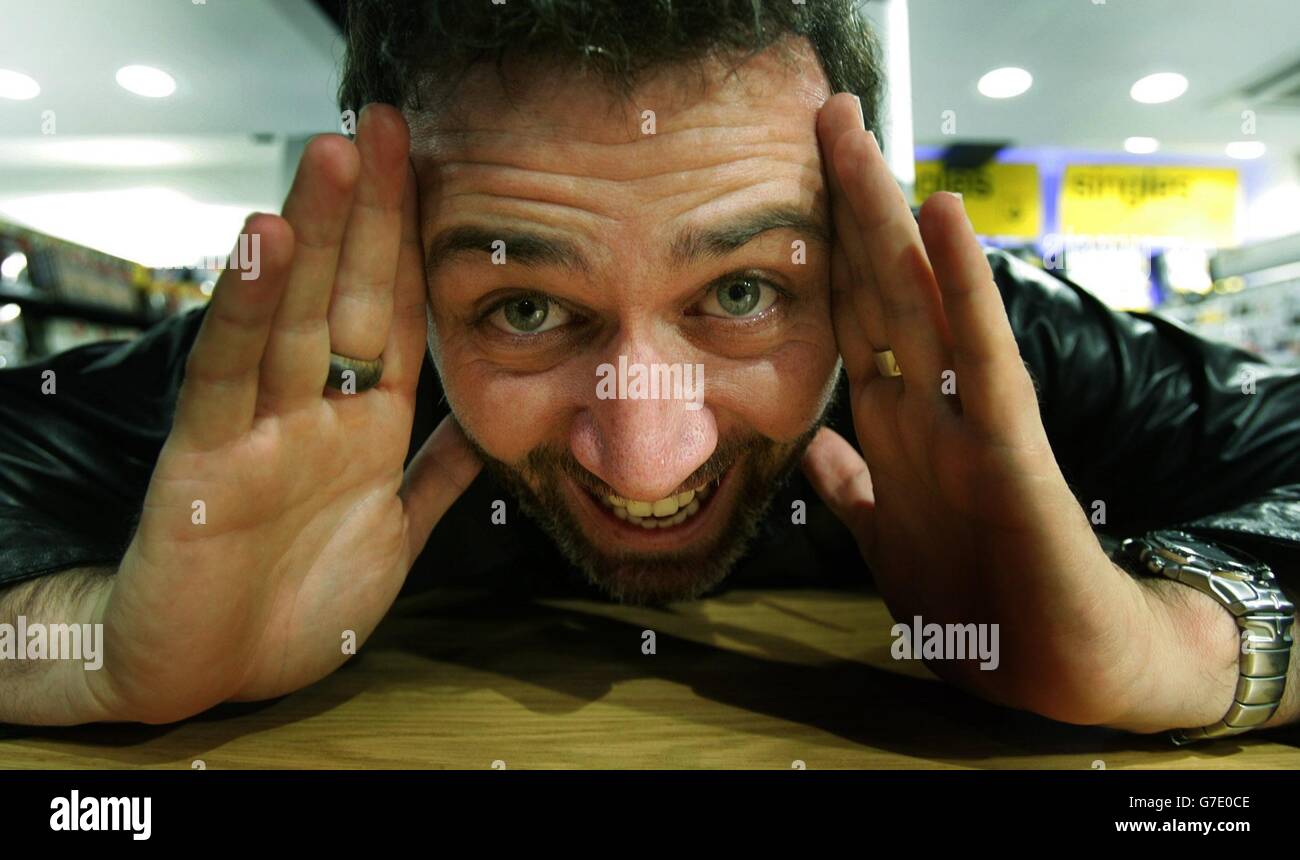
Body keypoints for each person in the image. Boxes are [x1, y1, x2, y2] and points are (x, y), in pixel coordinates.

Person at [1, 0, 1296, 741]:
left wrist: (1185, 642)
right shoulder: (293, 399)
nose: (651, 458)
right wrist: (88, 643)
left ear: (857, 245)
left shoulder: (985, 358)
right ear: (402, 273)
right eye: (521, 306)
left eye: (741, 293)